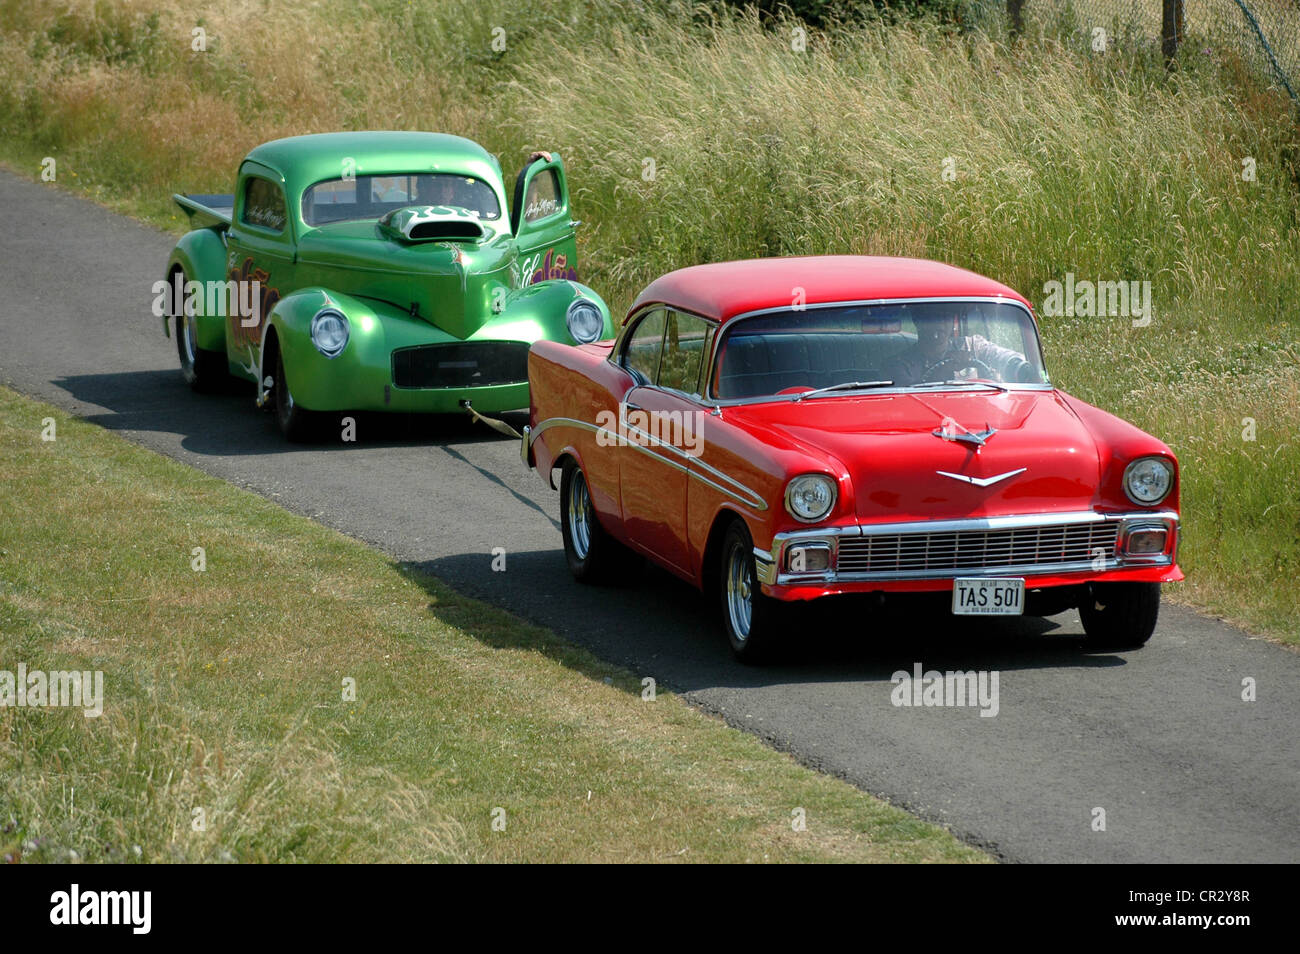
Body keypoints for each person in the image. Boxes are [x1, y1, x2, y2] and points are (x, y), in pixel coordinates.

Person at [886, 314, 1033, 385]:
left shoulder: (973, 346)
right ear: (917, 321)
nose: (940, 322)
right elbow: (907, 398)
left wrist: (1018, 365)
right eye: (932, 316)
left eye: (946, 315)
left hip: (979, 418)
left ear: (953, 321)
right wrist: (943, 370)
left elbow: (999, 355)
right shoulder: (899, 364)